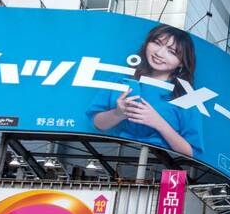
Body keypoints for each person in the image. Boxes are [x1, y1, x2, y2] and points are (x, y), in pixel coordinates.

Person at [87, 24, 204, 158]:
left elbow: (192, 152)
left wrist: (159, 123)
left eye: (172, 52)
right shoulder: (120, 79)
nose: (159, 54)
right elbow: (96, 123)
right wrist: (118, 113)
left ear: (182, 62)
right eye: (157, 43)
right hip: (110, 155)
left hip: (157, 165)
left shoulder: (186, 97)